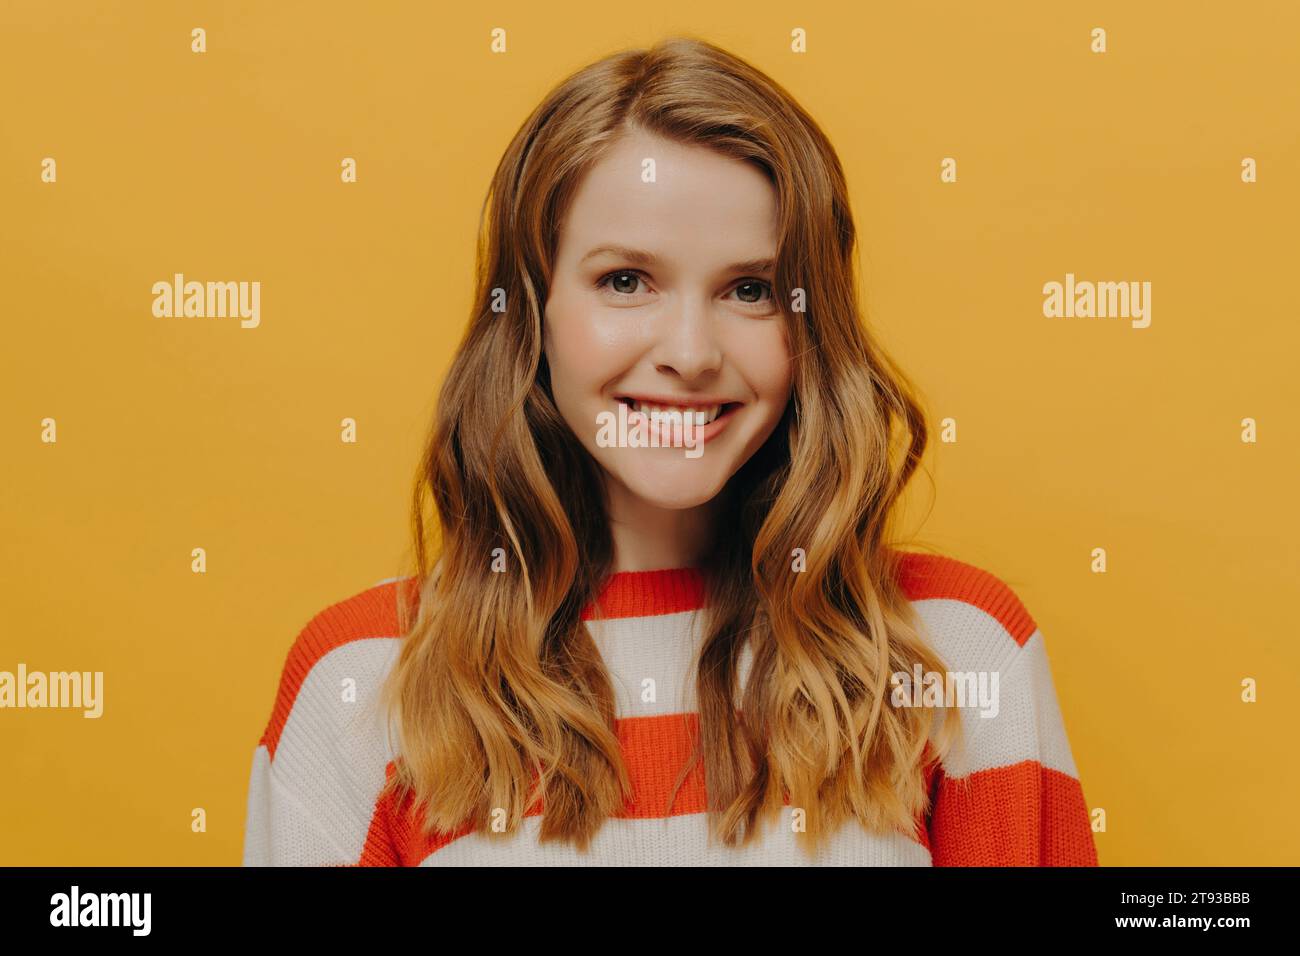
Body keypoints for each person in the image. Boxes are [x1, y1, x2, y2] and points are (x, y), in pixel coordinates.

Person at [241, 35, 1098, 866]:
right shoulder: (361, 677)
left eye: (751, 290)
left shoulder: (956, 649)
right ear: (531, 312)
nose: (691, 352)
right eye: (625, 280)